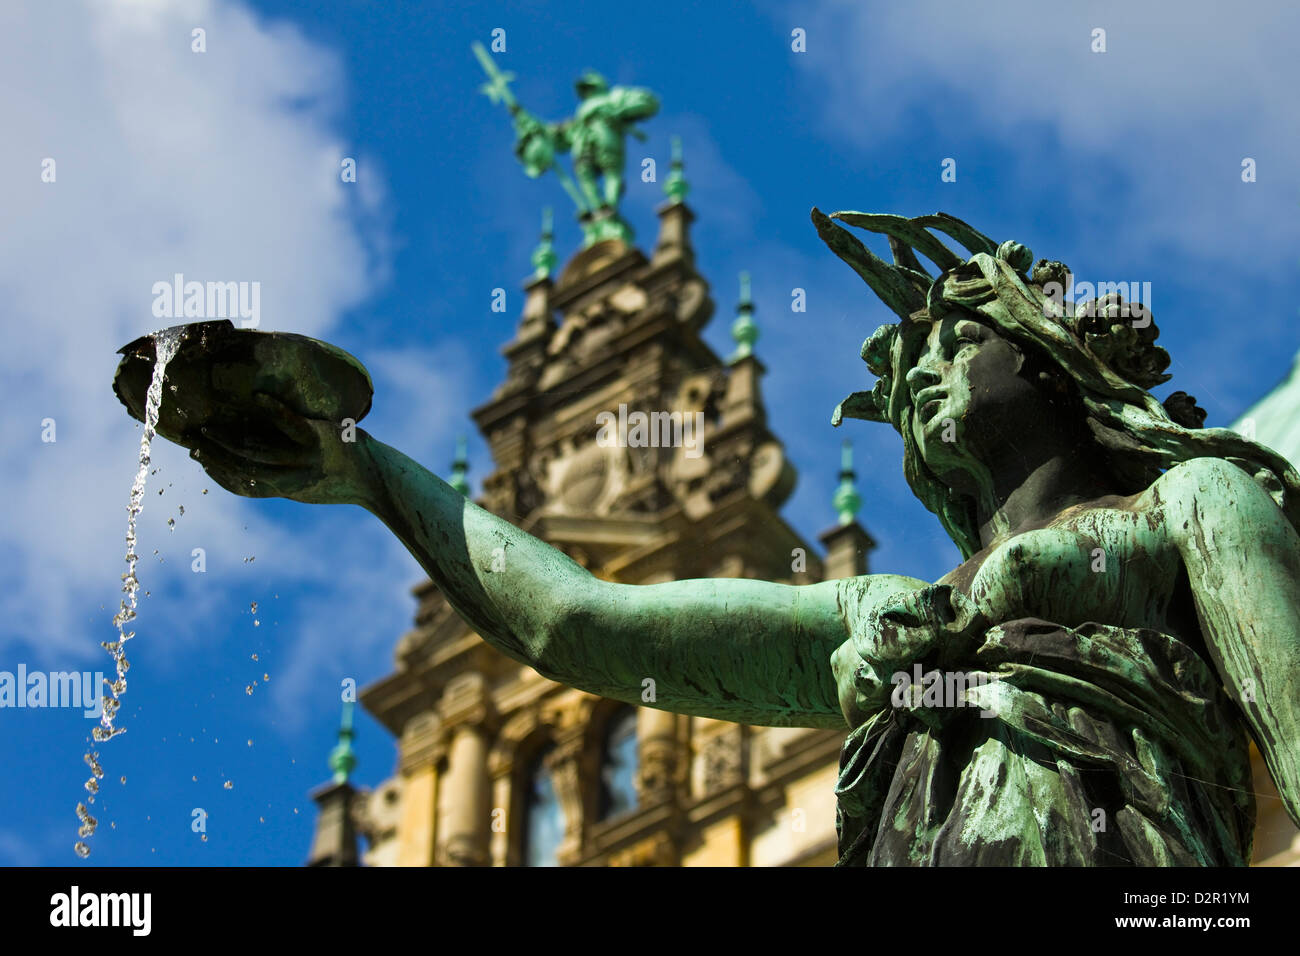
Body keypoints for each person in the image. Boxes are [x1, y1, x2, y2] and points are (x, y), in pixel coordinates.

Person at [182, 210, 1300, 866]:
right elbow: (580, 622)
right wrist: (367, 469)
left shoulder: (1192, 506)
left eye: (951, 341)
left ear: (1050, 359)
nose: (915, 370)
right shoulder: (887, 613)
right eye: (906, 369)